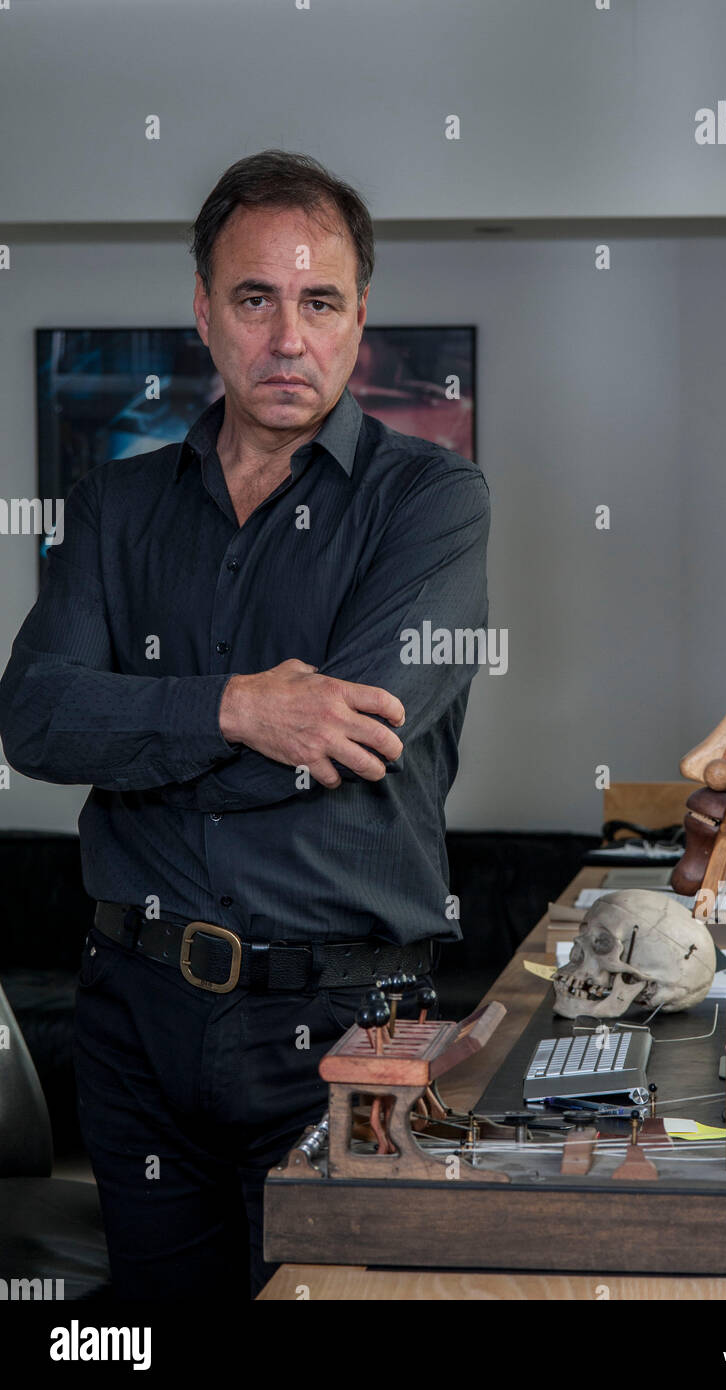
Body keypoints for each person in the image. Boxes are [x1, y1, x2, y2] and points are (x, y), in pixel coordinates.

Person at [0, 150, 490, 1300]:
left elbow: (344, 743)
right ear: (204, 315)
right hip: (135, 1021)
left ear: (359, 318)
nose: (287, 337)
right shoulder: (120, 507)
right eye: (254, 298)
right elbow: (29, 718)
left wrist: (133, 739)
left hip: (337, 1035)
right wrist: (241, 706)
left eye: (319, 302)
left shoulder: (430, 504)